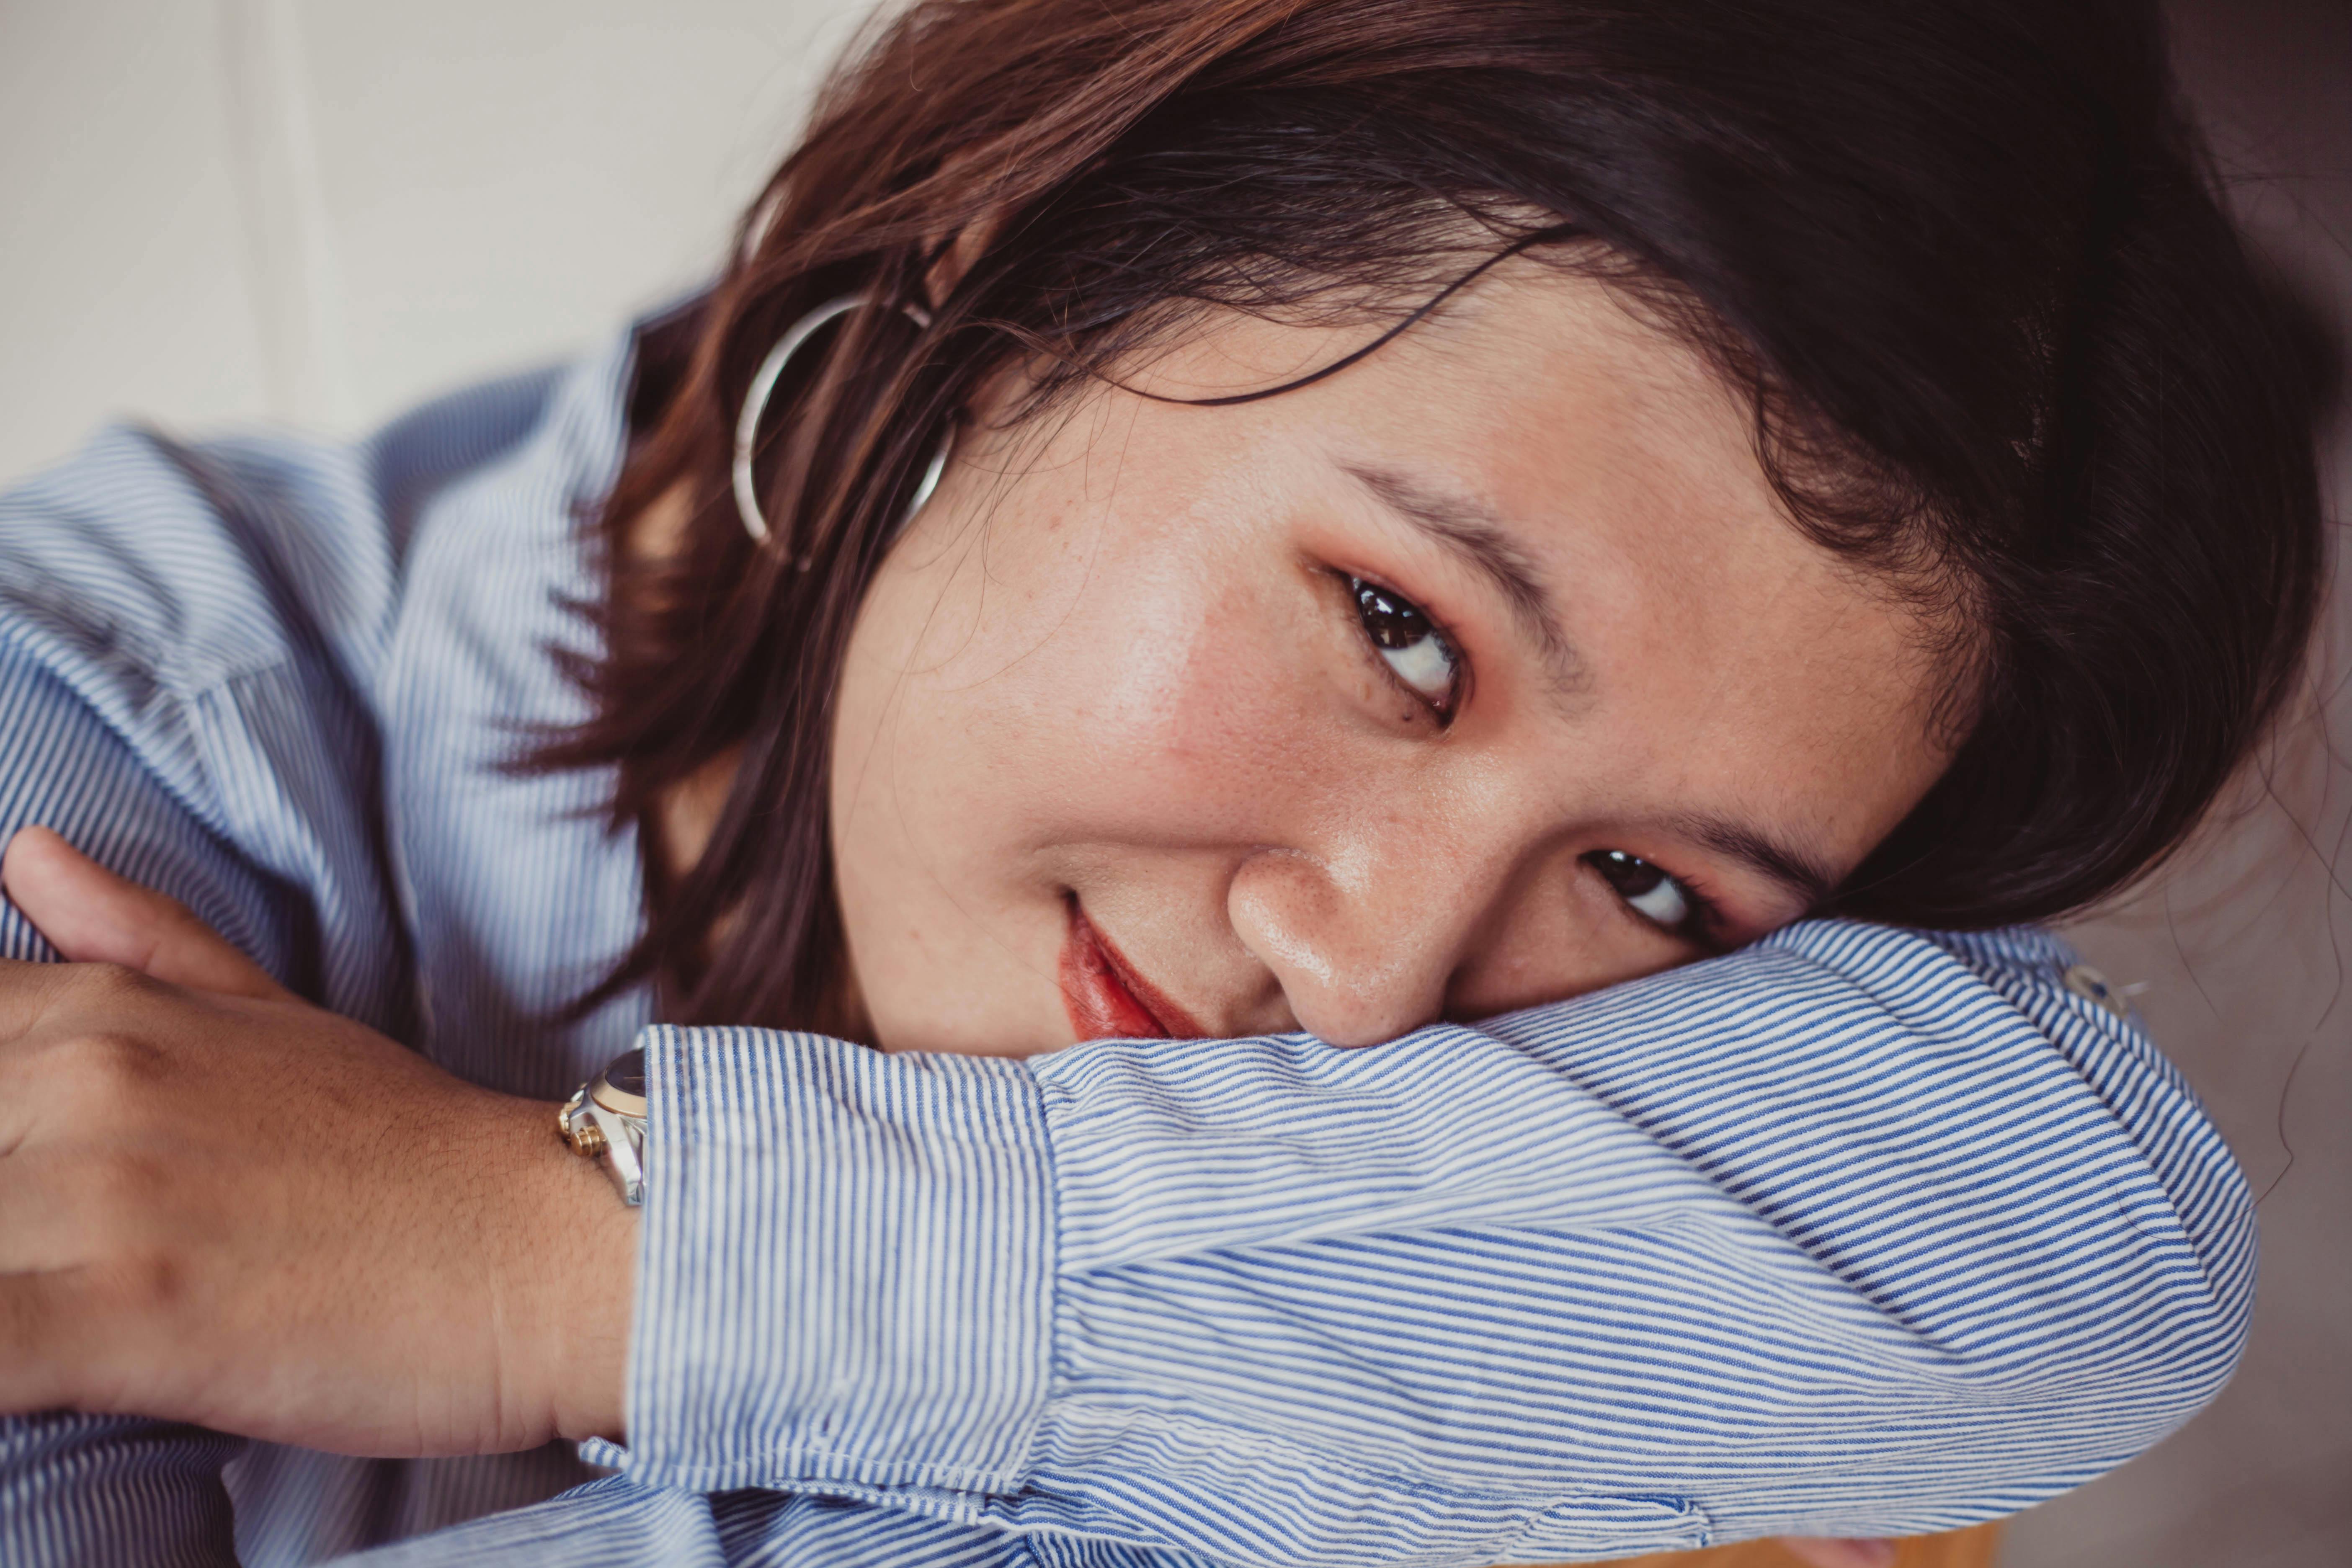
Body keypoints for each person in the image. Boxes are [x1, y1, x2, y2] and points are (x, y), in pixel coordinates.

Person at [0, 0, 2326, 1565]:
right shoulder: (87, 758)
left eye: (1647, 884)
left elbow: (2086, 1233)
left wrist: (579, 1263)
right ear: (1026, 252)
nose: (1374, 980)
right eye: (1400, 627)